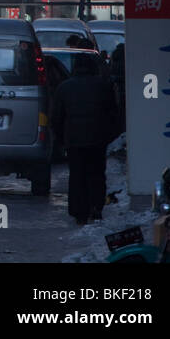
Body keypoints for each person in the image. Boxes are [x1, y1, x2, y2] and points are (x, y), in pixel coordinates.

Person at [51, 53, 120, 225]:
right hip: (97, 139)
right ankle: (96, 207)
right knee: (97, 174)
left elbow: (56, 117)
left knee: (77, 175)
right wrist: (109, 135)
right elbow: (113, 113)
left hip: (74, 140)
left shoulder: (64, 87)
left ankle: (79, 211)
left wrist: (61, 138)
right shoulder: (103, 86)